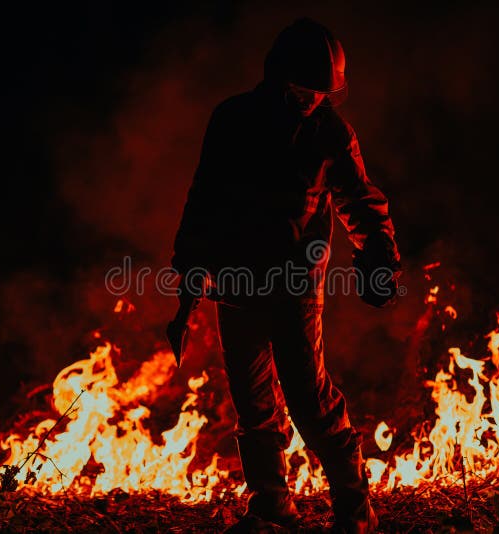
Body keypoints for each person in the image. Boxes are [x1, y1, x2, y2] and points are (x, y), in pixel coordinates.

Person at [170, 18, 401, 534]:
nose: (311, 99)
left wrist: (378, 262)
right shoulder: (232, 121)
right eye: (302, 89)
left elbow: (360, 201)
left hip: (297, 287)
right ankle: (272, 504)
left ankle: (355, 505)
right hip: (236, 286)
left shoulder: (331, 132)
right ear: (277, 78)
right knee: (254, 406)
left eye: (322, 91)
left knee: (309, 400)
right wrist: (188, 286)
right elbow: (204, 201)